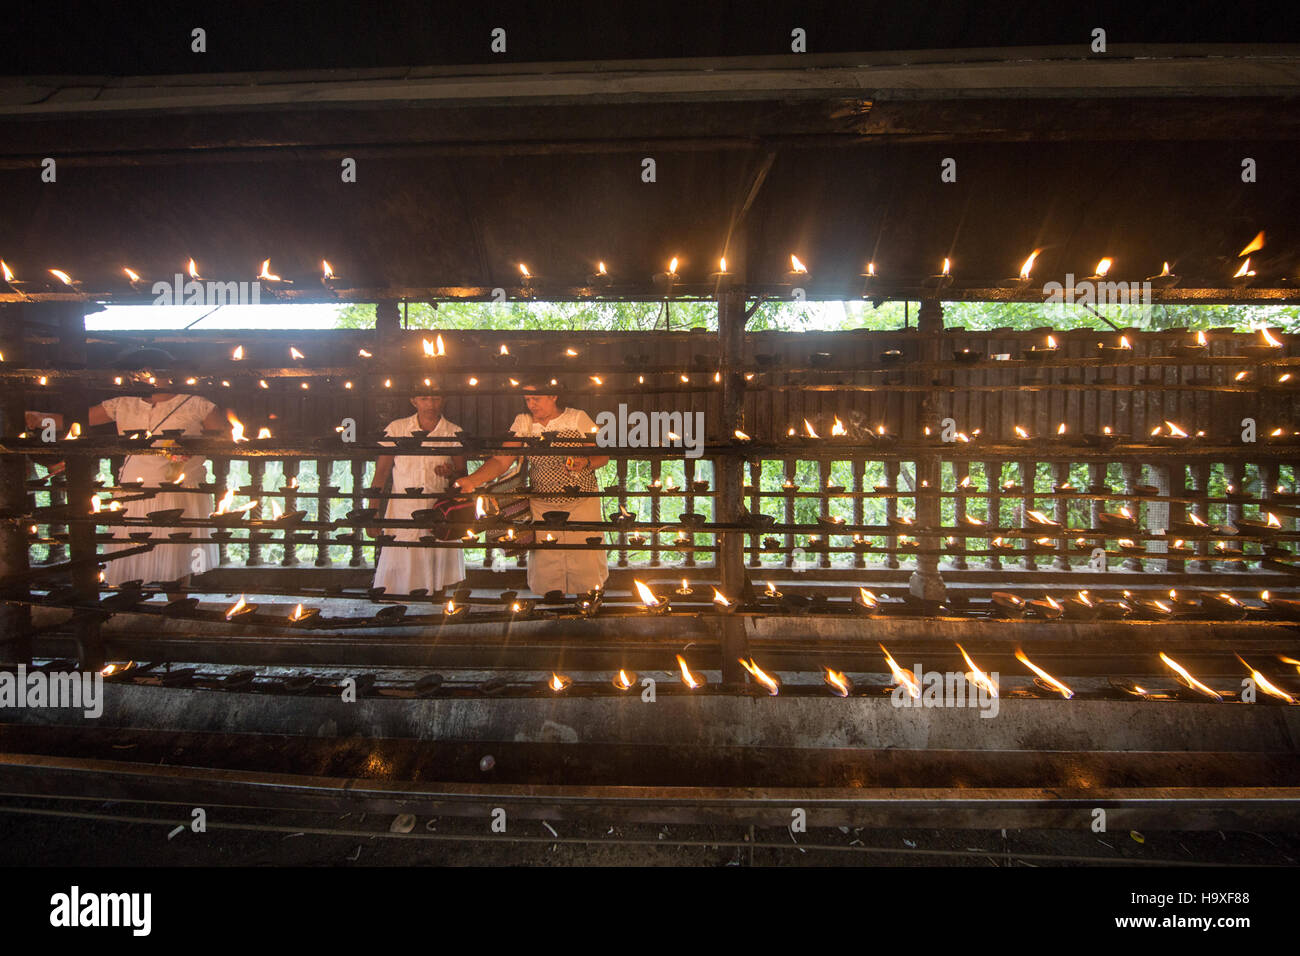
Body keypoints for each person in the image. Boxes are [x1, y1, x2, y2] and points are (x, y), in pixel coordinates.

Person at [28, 348, 228, 601]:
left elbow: (223, 440)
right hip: (135, 485)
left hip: (179, 487)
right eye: (134, 374)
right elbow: (73, 421)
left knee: (175, 549)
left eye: (144, 372)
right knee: (131, 546)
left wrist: (188, 446)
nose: (138, 378)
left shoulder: (197, 404)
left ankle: (177, 608)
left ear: (166, 374)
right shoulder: (122, 404)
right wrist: (39, 419)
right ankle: (130, 603)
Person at [454, 380, 609, 597]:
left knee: (584, 555)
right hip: (542, 501)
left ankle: (587, 602)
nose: (531, 404)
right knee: (548, 558)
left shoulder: (576, 418)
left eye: (536, 398)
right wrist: (472, 480)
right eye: (527, 399)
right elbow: (501, 461)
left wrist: (585, 462)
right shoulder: (524, 423)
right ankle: (551, 606)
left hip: (582, 500)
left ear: (554, 395)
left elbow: (602, 455)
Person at [367, 385, 467, 595]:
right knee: (403, 560)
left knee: (436, 558)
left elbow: (462, 476)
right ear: (413, 401)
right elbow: (382, 472)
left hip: (438, 510)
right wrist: (373, 511)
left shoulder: (453, 432)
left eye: (435, 398)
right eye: (424, 398)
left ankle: (435, 605)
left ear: (443, 399)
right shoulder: (397, 429)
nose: (430, 404)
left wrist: (450, 473)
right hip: (403, 509)